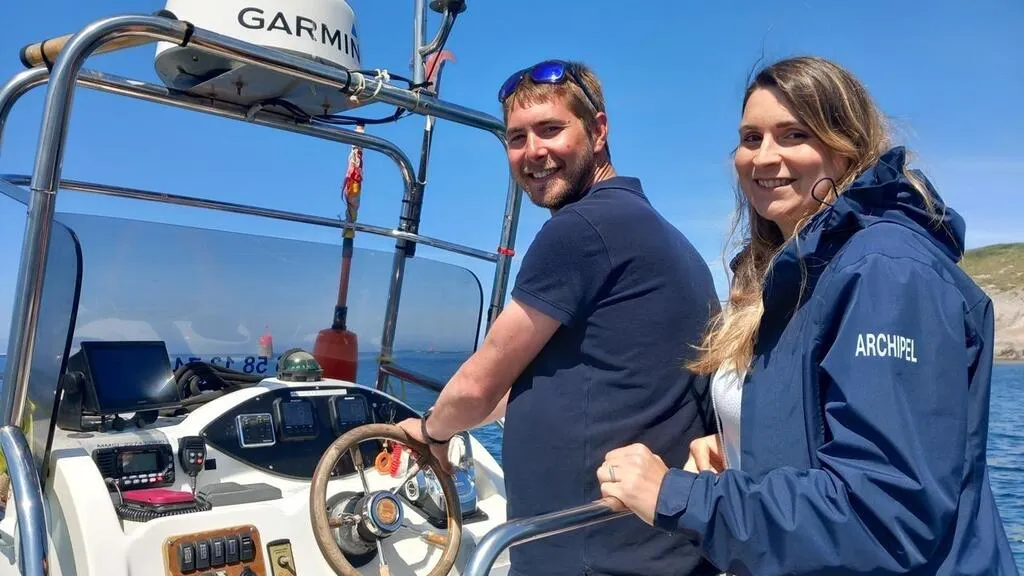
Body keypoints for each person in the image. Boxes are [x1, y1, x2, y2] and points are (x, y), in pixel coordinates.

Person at [596, 55, 1020, 575]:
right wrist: (742, 446)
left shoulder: (885, 272)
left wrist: (677, 496)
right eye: (750, 138)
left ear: (846, 148)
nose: (763, 157)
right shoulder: (792, 276)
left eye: (794, 135)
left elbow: (884, 513)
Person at [396, 59, 722, 576]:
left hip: (591, 553)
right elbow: (533, 384)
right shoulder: (661, 234)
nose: (533, 151)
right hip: (654, 548)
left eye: (550, 129)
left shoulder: (581, 229)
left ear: (598, 130)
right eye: (516, 138)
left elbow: (480, 383)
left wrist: (431, 433)